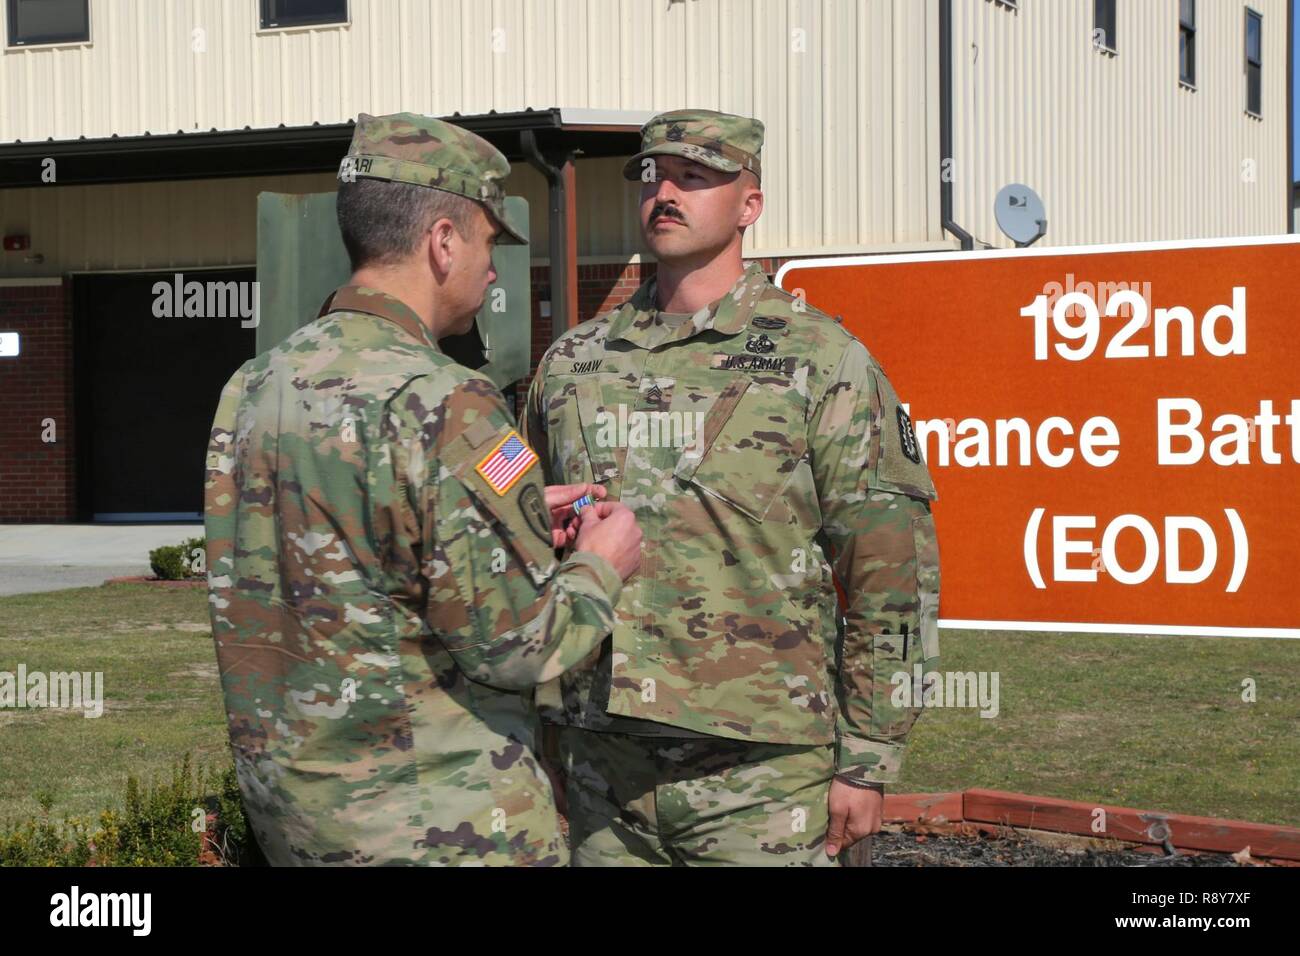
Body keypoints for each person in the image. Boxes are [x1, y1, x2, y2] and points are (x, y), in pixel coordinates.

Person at [204, 112, 641, 866]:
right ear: (442, 242)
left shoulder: (251, 386)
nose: (492, 270)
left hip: (300, 820)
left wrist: (525, 520)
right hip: (440, 825)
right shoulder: (447, 400)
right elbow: (519, 646)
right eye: (485, 244)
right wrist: (601, 563)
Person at [522, 109, 940, 866]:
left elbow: (890, 572)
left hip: (761, 773)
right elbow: (522, 545)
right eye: (653, 176)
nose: (666, 193)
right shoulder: (574, 362)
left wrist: (870, 754)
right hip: (600, 767)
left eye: (697, 176)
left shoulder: (819, 358)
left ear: (750, 204)